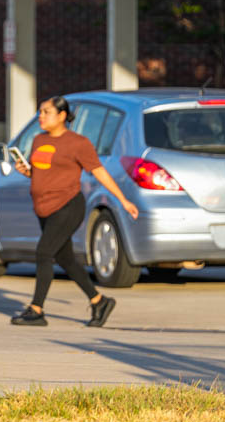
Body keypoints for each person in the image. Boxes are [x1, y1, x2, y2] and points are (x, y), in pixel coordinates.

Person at [10, 96, 139, 327]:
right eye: (40, 112)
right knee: (65, 258)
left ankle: (36, 310)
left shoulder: (78, 143)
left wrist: (123, 200)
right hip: (44, 207)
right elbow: (42, 173)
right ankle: (99, 301)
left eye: (46, 112)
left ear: (61, 116)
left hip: (67, 206)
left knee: (43, 253)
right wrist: (26, 171)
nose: (41, 116)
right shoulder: (39, 140)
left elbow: (99, 172)